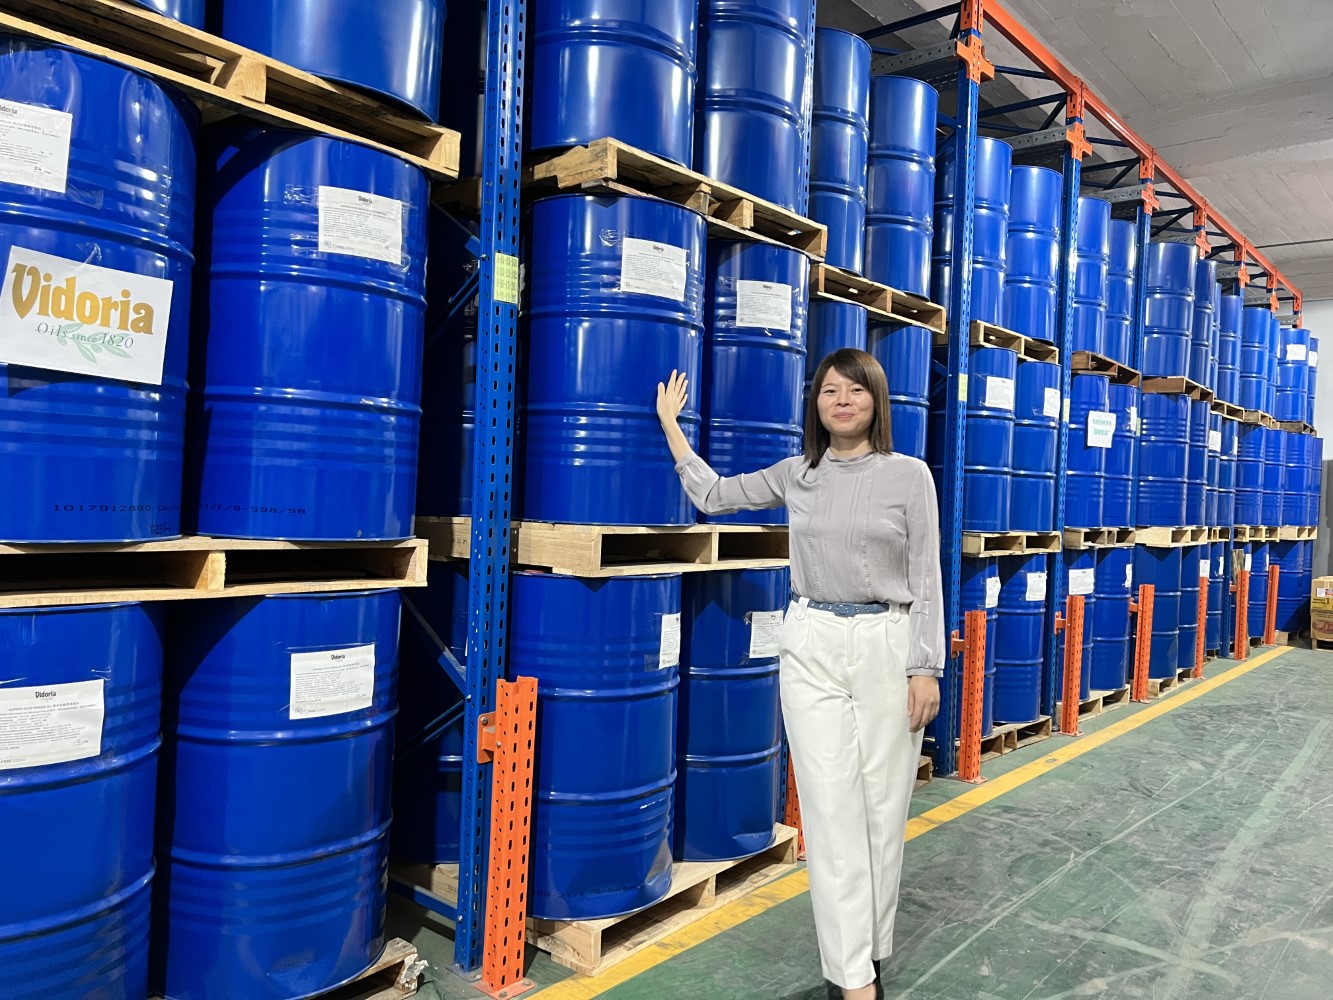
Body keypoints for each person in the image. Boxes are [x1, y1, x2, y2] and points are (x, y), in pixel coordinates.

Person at [656, 348, 944, 1000]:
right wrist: (671, 425)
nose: (841, 401)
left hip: (886, 641)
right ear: (815, 404)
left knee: (881, 811)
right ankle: (852, 978)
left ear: (876, 400)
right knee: (829, 809)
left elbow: (926, 573)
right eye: (828, 390)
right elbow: (713, 496)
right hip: (811, 639)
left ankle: (869, 948)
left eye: (854, 390)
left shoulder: (909, 476)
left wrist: (925, 666)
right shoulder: (798, 474)